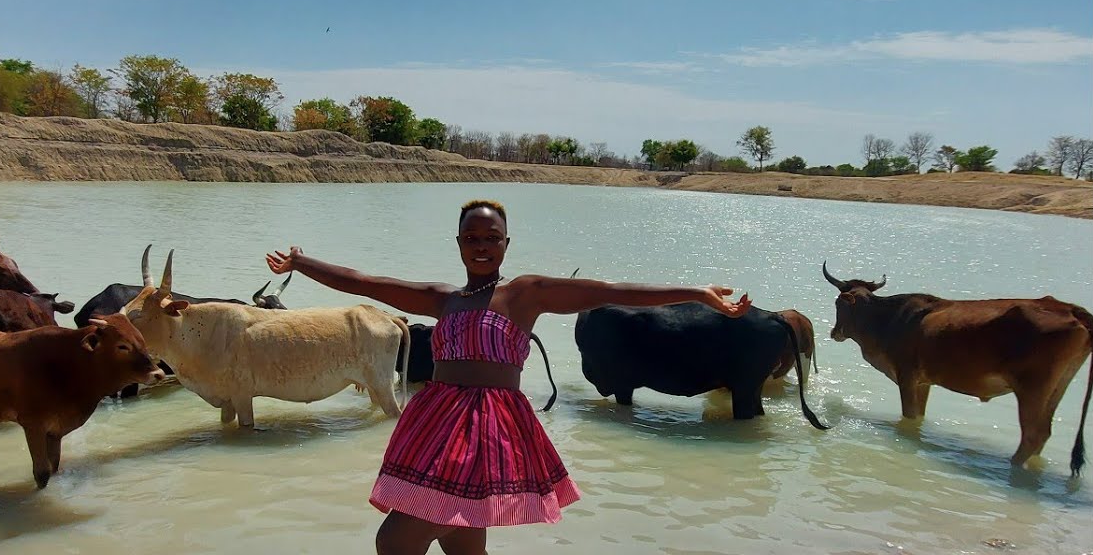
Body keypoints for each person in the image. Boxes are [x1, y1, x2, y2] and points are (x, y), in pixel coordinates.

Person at [266, 199, 751, 555]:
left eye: (491, 238)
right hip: (435, 426)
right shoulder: (444, 299)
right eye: (472, 238)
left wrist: (696, 292)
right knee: (462, 541)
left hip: (485, 431)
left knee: (394, 541)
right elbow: (365, 282)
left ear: (506, 243)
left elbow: (607, 290)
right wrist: (302, 263)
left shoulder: (525, 294)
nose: (481, 246)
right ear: (459, 244)